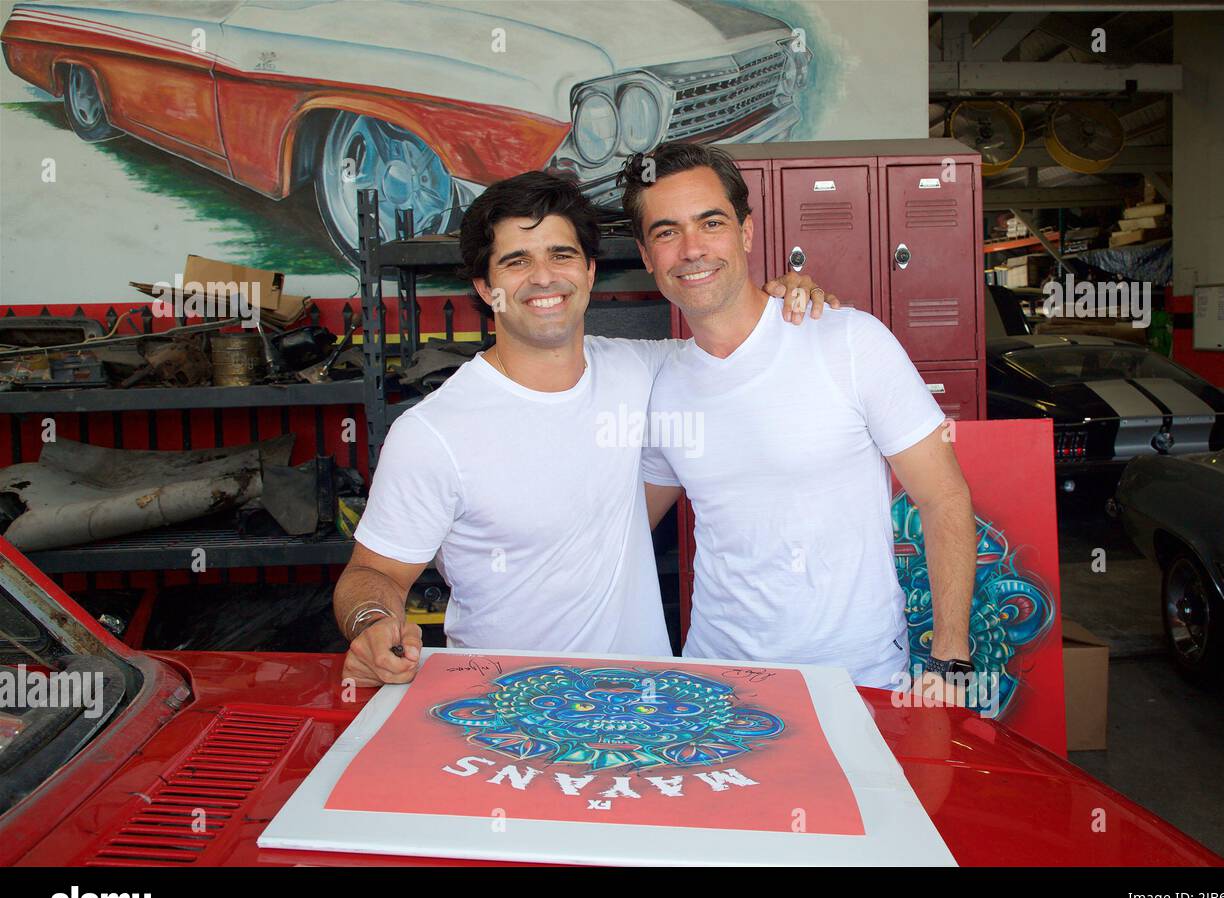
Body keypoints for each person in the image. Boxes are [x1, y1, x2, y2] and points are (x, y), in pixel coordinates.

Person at [334, 171, 835, 687]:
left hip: (644, 704)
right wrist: (372, 623)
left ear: (590, 272)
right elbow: (372, 575)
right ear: (485, 288)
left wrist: (783, 298)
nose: (544, 277)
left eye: (561, 255)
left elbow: (737, 339)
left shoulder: (645, 370)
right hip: (505, 711)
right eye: (516, 261)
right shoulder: (432, 432)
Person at [624, 143, 977, 696]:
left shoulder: (848, 340)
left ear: (745, 232)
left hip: (860, 675)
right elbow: (623, 526)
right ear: (647, 256)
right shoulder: (664, 384)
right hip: (718, 683)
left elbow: (943, 497)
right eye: (667, 232)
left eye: (710, 223)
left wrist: (951, 655)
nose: (692, 249)